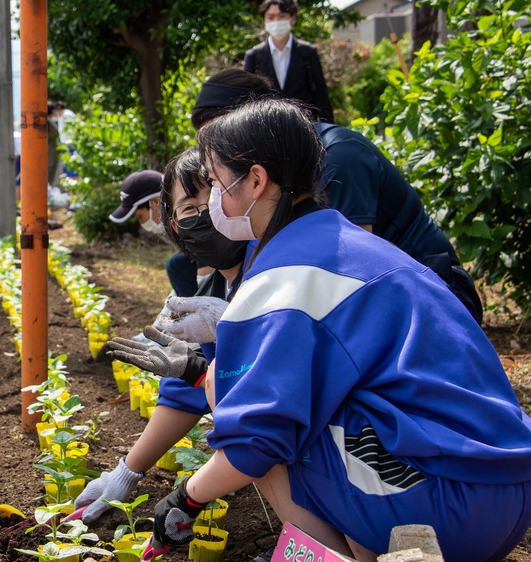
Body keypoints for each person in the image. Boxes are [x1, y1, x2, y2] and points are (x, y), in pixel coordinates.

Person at [147, 98, 531, 561]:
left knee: (245, 415)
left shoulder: (280, 277)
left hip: (448, 508)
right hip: (505, 485)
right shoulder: (353, 243)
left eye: (213, 182)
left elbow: (255, 441)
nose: (212, 201)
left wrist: (186, 497)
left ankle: (331, 557)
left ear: (254, 180)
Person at [190, 68, 482, 322]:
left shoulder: (341, 156)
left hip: (435, 298)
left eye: (221, 145)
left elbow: (348, 275)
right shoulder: (276, 178)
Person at [79, 147, 245, 524]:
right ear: (174, 224)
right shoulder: (214, 286)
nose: (205, 215)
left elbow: (259, 425)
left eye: (214, 196)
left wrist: (188, 499)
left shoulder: (274, 266)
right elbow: (189, 389)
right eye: (189, 209)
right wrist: (126, 472)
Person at [109, 170, 211, 299]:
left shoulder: (190, 223)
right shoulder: (176, 224)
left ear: (155, 202)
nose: (141, 223)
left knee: (176, 264)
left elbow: (208, 276)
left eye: (139, 216)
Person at [243, 0, 333, 123]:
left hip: (303, 127)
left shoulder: (307, 52)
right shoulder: (253, 56)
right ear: (264, 20)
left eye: (281, 16)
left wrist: (327, 131)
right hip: (266, 129)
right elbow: (245, 99)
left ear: (293, 18)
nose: (276, 22)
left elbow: (320, 96)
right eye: (271, 17)